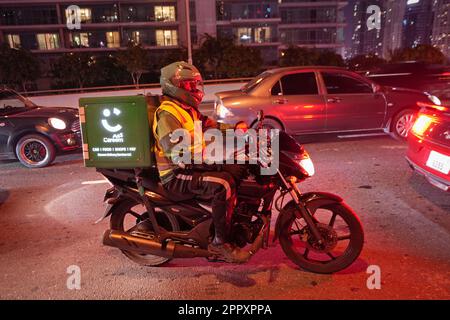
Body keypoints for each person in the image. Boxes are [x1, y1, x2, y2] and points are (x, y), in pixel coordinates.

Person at [152, 61, 246, 262]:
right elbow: (179, 155)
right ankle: (220, 243)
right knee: (223, 185)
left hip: (191, 167)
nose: (194, 89)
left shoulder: (187, 109)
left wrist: (238, 131)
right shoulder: (168, 114)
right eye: (188, 85)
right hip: (176, 174)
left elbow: (211, 125)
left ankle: (228, 221)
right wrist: (215, 163)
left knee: (238, 169)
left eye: (195, 85)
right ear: (173, 85)